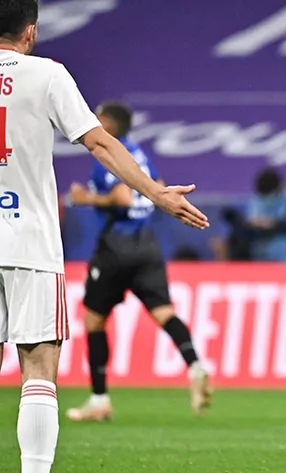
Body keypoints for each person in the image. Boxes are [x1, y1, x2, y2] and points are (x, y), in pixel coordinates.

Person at [0, 2, 208, 472]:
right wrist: (156, 193)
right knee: (37, 368)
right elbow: (98, 142)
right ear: (30, 32)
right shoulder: (46, 74)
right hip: (29, 243)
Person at [64, 101, 212, 422]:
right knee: (163, 312)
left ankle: (99, 398)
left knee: (93, 320)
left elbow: (121, 197)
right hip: (147, 244)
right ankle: (195, 364)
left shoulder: (108, 153)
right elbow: (156, 188)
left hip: (118, 244)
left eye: (100, 118)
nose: (95, 121)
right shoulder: (139, 155)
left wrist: (85, 199)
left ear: (111, 124)